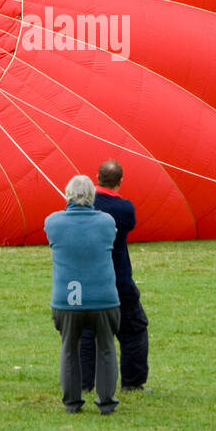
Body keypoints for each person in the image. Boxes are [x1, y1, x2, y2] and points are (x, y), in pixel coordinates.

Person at [46, 174, 120, 414]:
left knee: (69, 350)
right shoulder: (107, 222)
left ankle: (72, 402)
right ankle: (107, 402)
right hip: (104, 299)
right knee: (107, 348)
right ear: (92, 196)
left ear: (68, 195)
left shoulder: (53, 222)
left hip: (67, 301)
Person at [80, 160, 149, 392]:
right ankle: (132, 382)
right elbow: (128, 223)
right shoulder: (124, 209)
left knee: (88, 332)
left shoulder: (82, 207)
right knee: (133, 329)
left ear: (96, 177)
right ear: (121, 181)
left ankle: (84, 384)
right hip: (118, 280)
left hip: (88, 281)